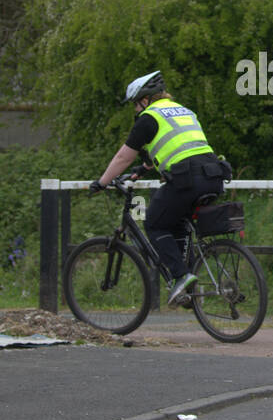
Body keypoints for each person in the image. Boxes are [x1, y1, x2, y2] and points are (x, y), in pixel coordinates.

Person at [90, 70, 230, 307]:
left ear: (145, 99)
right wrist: (143, 169)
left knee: (154, 222)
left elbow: (123, 156)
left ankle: (181, 276)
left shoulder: (148, 117)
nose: (135, 110)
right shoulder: (184, 111)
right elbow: (179, 146)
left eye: (135, 104)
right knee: (177, 221)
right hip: (214, 174)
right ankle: (189, 280)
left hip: (188, 180)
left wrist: (102, 182)